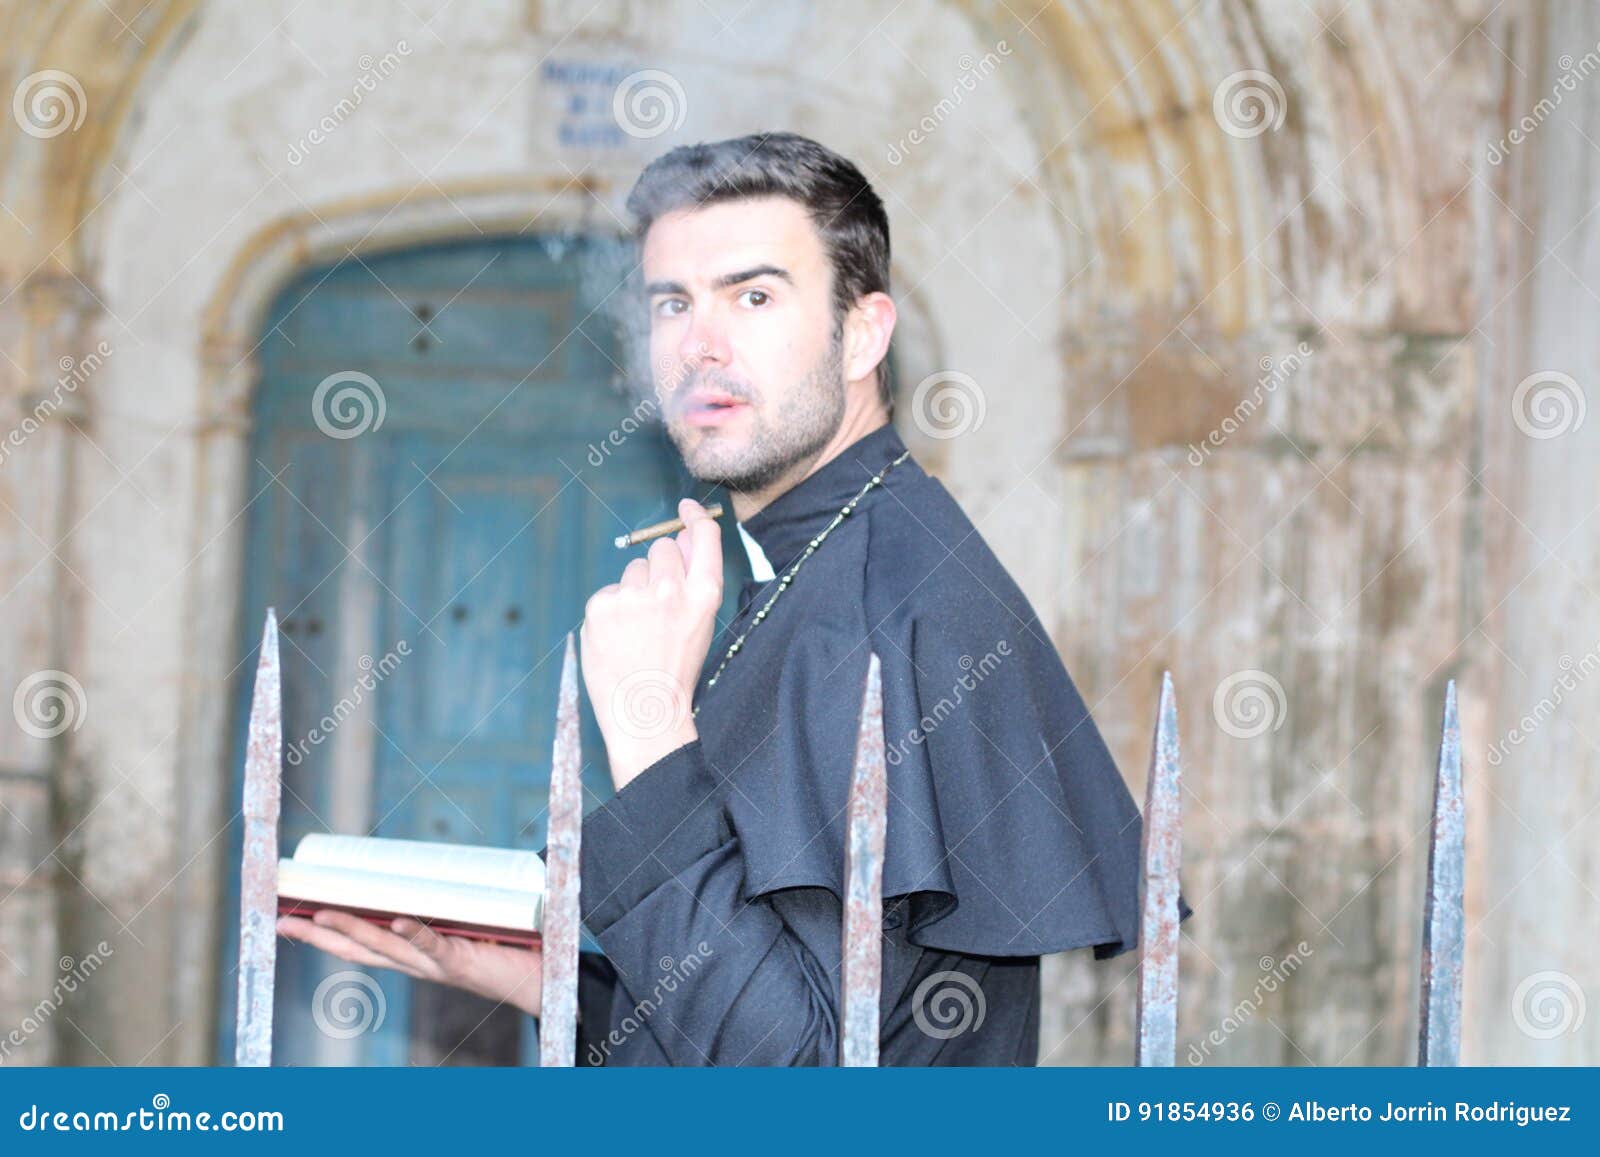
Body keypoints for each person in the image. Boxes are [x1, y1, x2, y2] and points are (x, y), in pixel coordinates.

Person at [278, 130, 1192, 1065]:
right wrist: (525, 972)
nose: (699, 345)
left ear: (863, 335)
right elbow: (764, 1008)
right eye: (672, 302)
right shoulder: (823, 550)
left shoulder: (880, 605)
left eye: (753, 296)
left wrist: (646, 726)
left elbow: (789, 1074)